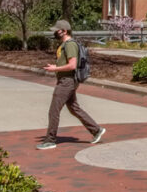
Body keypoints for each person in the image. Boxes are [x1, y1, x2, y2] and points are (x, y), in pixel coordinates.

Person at [38, 20, 105, 150]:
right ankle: (96, 130)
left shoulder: (70, 45)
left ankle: (50, 140)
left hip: (67, 81)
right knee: (74, 108)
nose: (55, 32)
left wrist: (55, 69)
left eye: (57, 30)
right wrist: (56, 67)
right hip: (66, 80)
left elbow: (72, 65)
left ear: (64, 31)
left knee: (54, 110)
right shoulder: (64, 44)